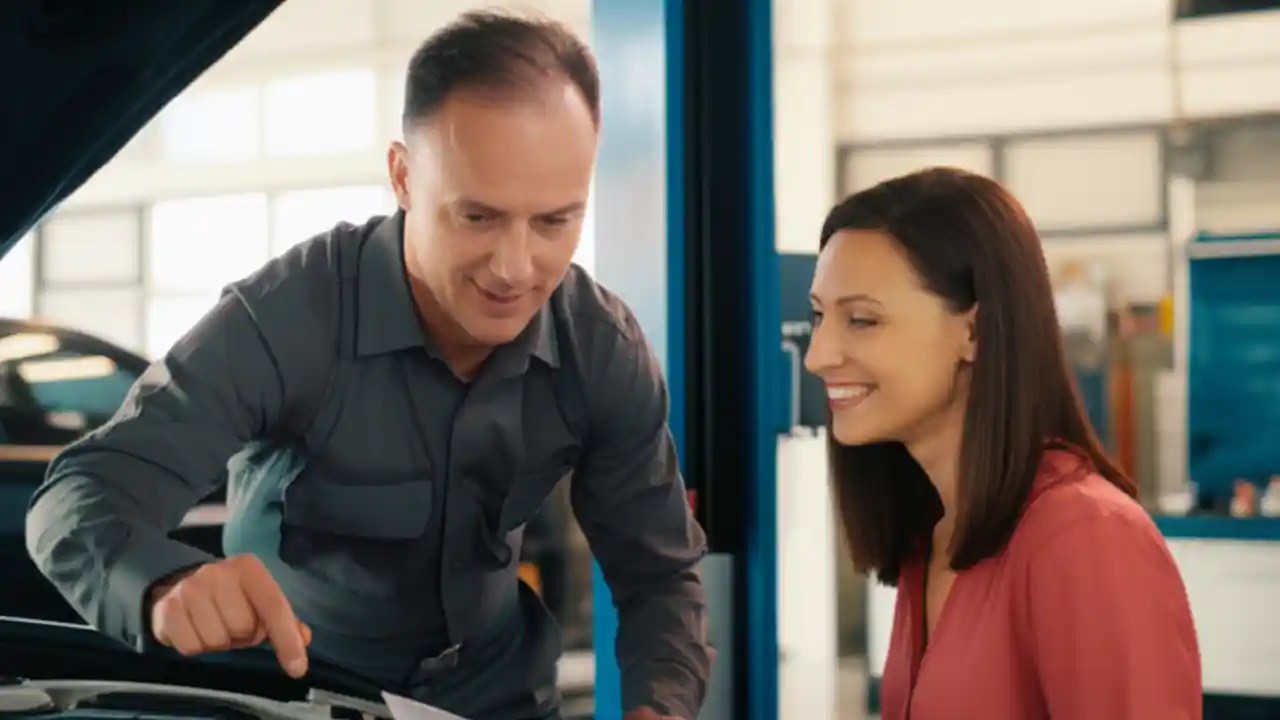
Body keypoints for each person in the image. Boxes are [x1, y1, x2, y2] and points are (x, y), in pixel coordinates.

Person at [25, 11, 711, 720]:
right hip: (296, 698)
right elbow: (79, 495)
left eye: (554, 222)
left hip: (499, 700)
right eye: (477, 217)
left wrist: (657, 708)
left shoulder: (601, 348)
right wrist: (160, 585)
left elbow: (659, 579)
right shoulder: (288, 318)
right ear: (404, 175)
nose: (515, 268)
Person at [804, 167, 1201, 719]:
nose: (817, 355)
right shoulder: (934, 536)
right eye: (819, 317)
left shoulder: (1085, 537)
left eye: (862, 320)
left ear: (975, 332)